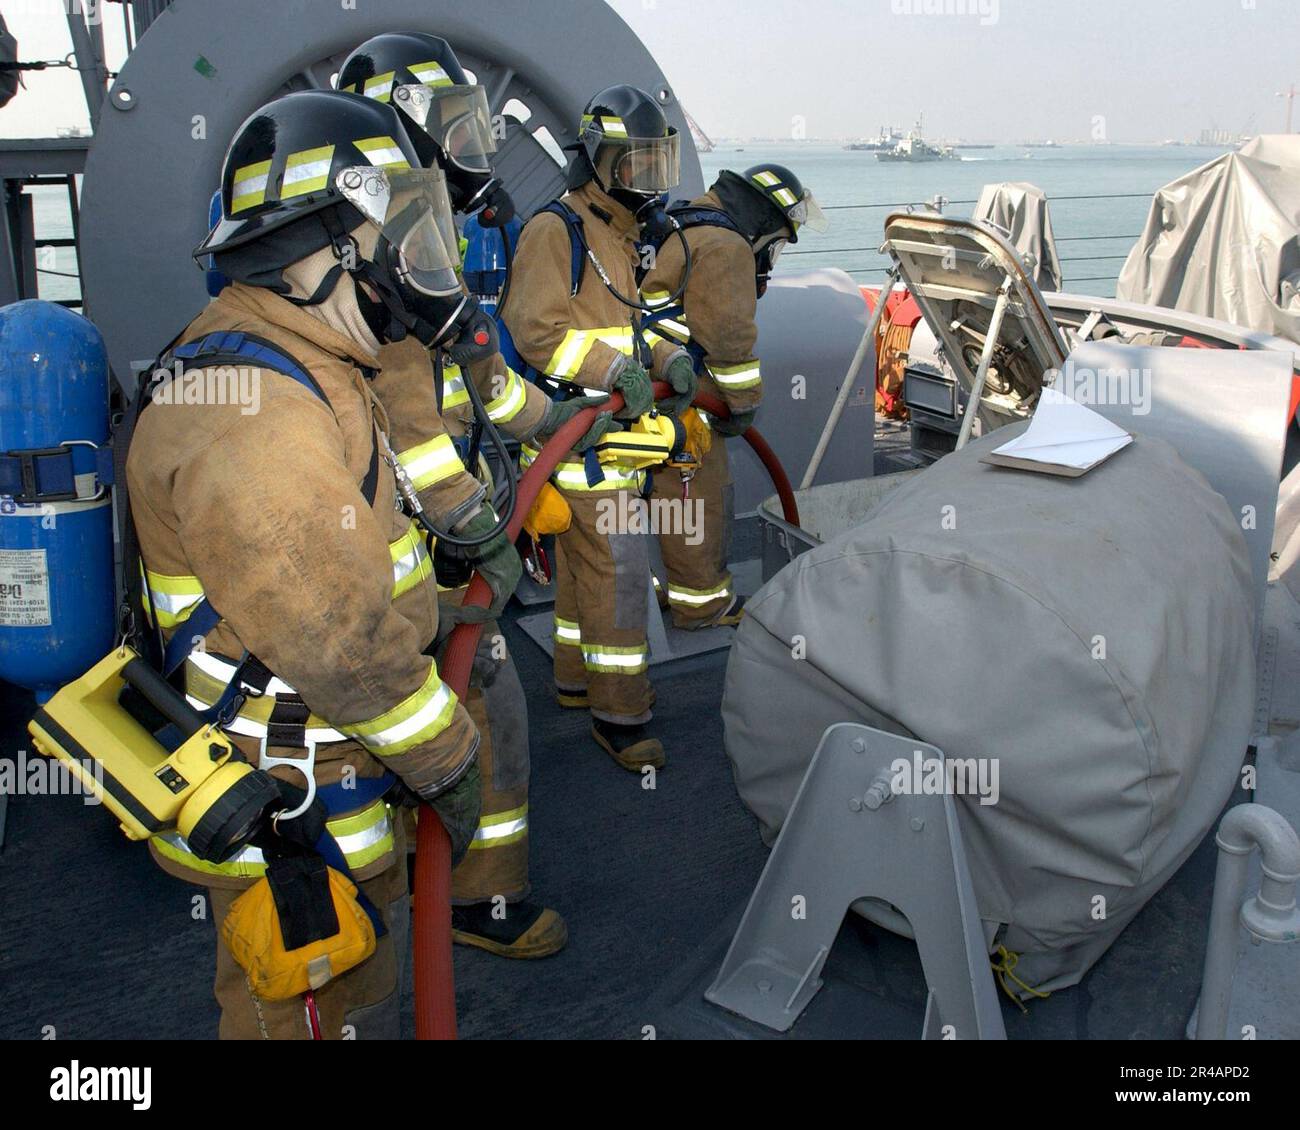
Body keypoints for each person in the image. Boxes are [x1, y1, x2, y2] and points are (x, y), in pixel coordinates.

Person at [127, 89, 562, 1037]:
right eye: (403, 233)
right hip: (293, 804)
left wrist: (436, 610)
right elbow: (335, 636)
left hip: (329, 771)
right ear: (328, 252)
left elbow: (353, 560)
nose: (423, 265)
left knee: (357, 989)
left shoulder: (308, 363)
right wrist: (447, 753)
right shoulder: (258, 419)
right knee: (318, 1007)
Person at [338, 31, 608, 958]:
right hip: (399, 545)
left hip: (406, 532)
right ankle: (474, 902)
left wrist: (568, 416)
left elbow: (482, 382)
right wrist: (475, 527)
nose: (472, 149)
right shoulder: (388, 250)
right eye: (455, 124)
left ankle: (414, 881)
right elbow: (413, 423)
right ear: (406, 120)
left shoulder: (414, 235)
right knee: (485, 703)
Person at [500, 85, 694, 772]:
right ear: (602, 162)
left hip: (611, 445)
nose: (649, 181)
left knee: (587, 576)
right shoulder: (559, 231)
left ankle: (576, 681)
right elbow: (536, 332)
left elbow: (631, 327)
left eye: (656, 165)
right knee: (618, 577)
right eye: (637, 165)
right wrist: (614, 371)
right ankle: (622, 717)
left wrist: (671, 358)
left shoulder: (617, 232)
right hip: (578, 440)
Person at [640, 164, 826, 627]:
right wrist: (743, 405)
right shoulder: (727, 247)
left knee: (649, 497)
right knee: (697, 498)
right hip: (688, 400)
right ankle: (702, 604)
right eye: (776, 241)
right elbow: (728, 342)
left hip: (644, 386)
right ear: (762, 219)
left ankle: (656, 588)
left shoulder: (684, 221)